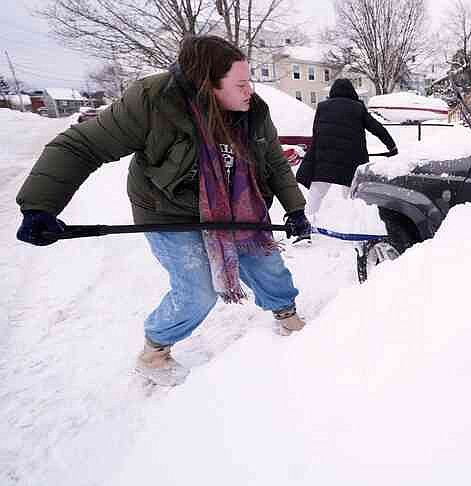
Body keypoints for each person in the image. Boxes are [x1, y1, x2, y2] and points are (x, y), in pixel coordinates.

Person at [15, 36, 312, 386]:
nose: (250, 92)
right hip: (169, 210)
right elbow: (82, 146)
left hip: (235, 207)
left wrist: (296, 209)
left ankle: (286, 314)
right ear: (207, 86)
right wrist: (39, 206)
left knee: (266, 263)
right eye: (241, 84)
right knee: (197, 290)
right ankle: (155, 351)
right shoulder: (152, 101)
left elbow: (274, 162)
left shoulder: (253, 113)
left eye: (250, 83)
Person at [295, 79, 397, 243]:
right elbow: (376, 127)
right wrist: (391, 146)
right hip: (350, 161)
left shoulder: (322, 107)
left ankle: (304, 228)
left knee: (316, 194)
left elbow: (316, 132)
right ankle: (355, 228)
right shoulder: (358, 108)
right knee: (352, 195)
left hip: (324, 159)